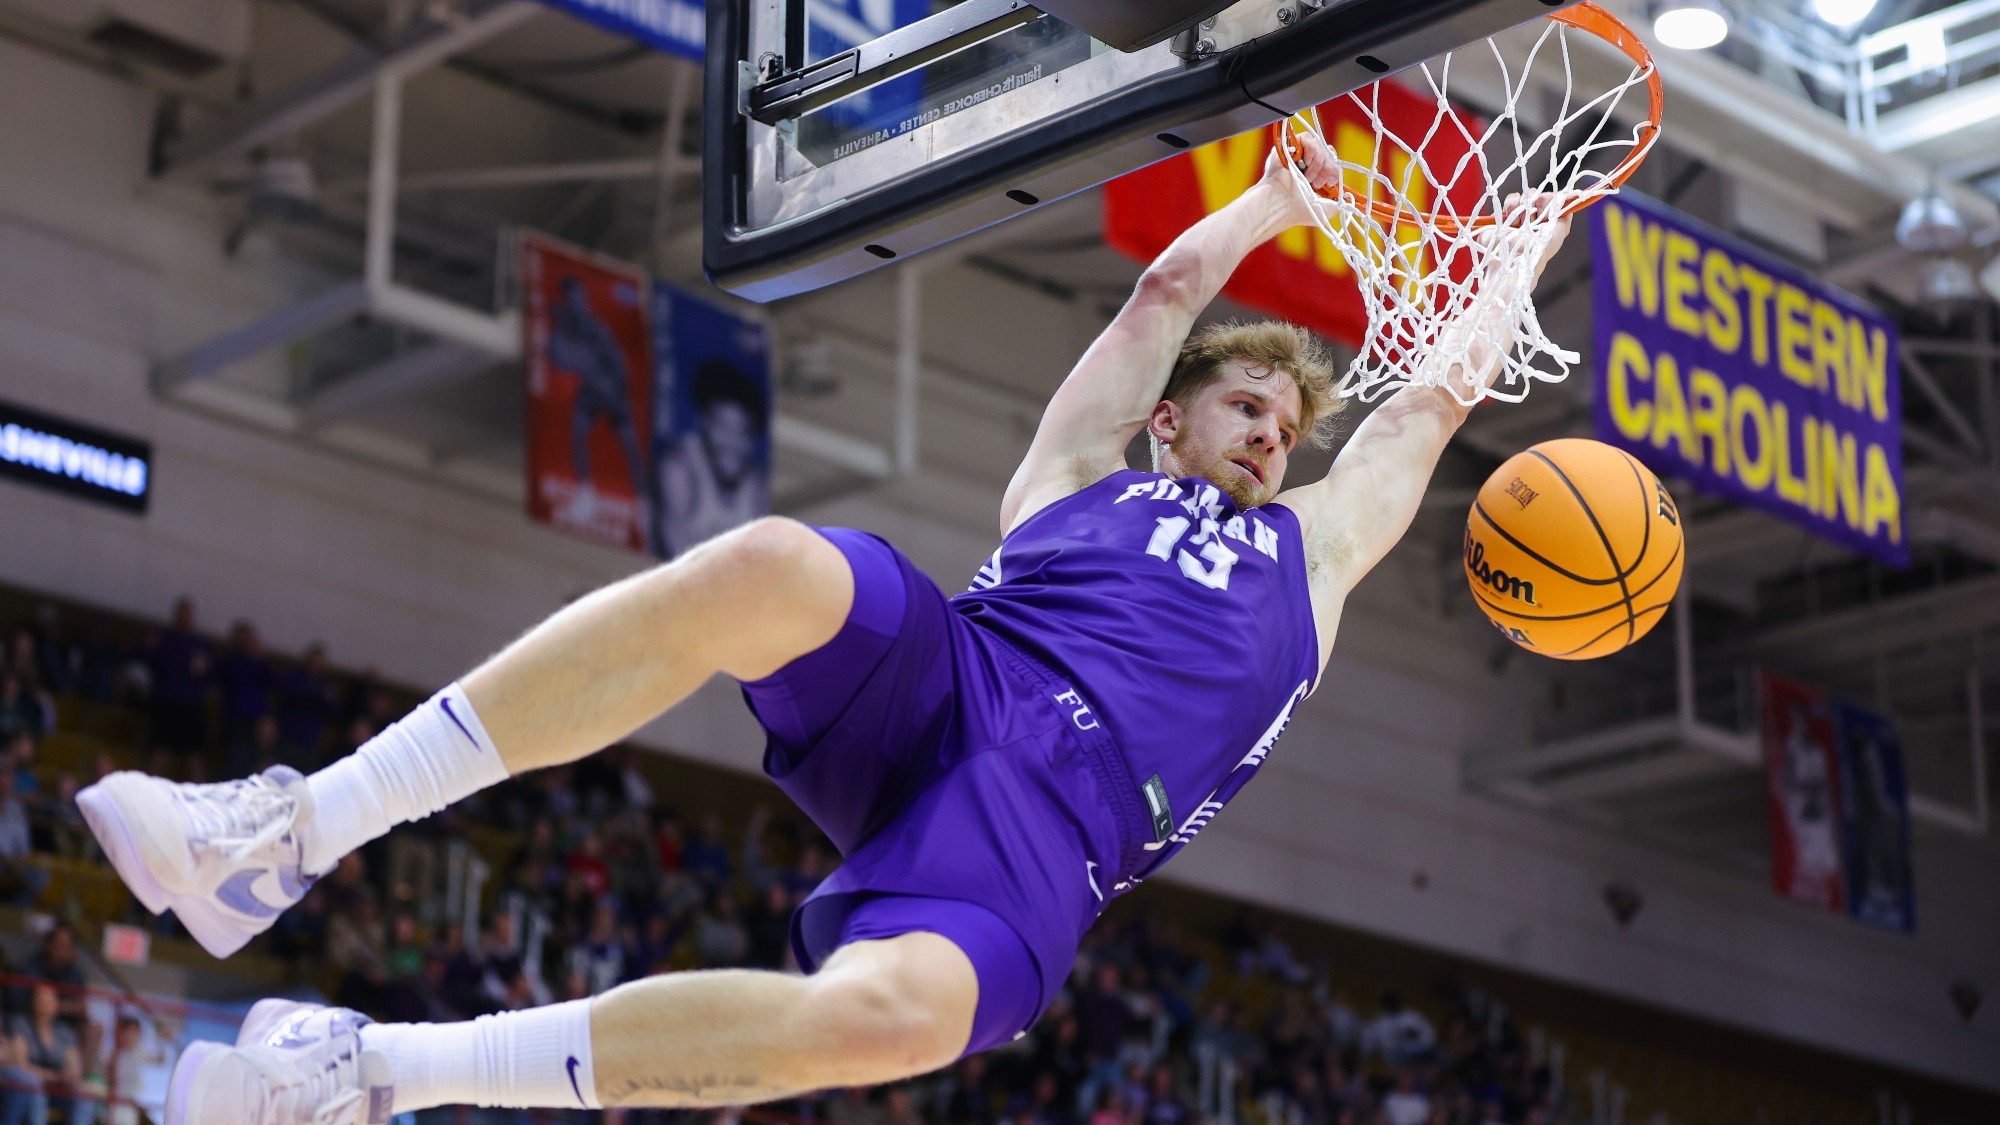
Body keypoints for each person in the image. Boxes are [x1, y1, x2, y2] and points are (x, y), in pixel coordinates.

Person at [77, 126, 1570, 1125]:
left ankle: (362, 1069)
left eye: (1292, 424)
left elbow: (1430, 405)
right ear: (1174, 418)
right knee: (779, 563)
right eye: (1248, 402)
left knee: (891, 1021)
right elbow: (1166, 290)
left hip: (1061, 832)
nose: (1273, 433)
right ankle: (285, 829)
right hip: (965, 680)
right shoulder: (1073, 478)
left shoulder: (1310, 556)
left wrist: (1527, 241)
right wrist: (1273, 203)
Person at [652, 359, 770, 560]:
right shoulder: (679, 471)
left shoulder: (755, 487)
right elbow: (673, 563)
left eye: (741, 432)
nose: (732, 443)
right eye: (723, 427)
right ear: (703, 423)